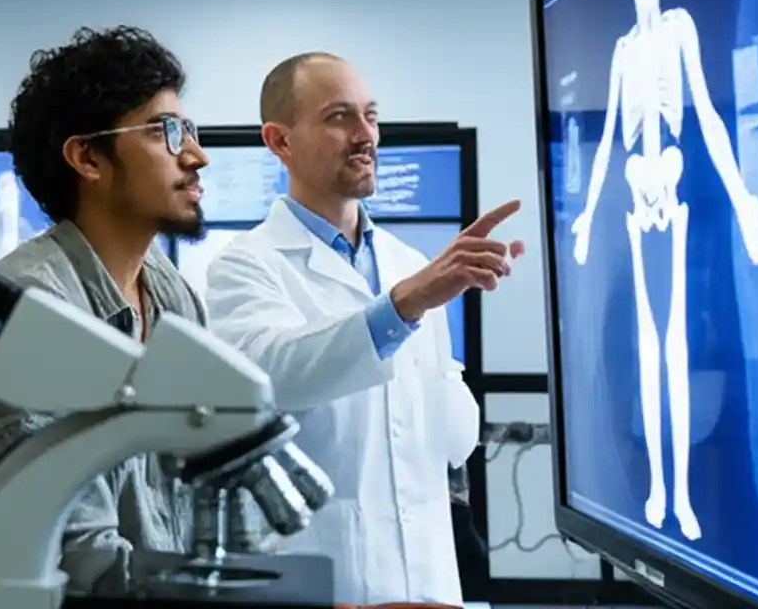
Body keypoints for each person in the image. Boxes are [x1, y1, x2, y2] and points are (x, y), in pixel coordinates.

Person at [0, 26, 236, 588]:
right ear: (88, 157)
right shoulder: (26, 309)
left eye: (188, 129)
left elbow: (187, 483)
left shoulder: (171, 296)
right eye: (166, 131)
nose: (197, 156)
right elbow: (78, 546)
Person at [204, 51, 526, 606]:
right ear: (280, 141)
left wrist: (439, 367)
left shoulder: (410, 264)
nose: (365, 135)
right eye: (338, 117)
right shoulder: (244, 265)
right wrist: (401, 309)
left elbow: (453, 440)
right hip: (330, 582)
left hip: (428, 580)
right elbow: (272, 376)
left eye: (370, 116)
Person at [570, 0, 758, 541]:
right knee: (648, 353)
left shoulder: (680, 27)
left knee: (675, 351)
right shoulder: (623, 49)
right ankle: (657, 487)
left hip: (677, 198)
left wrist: (743, 203)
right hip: (636, 202)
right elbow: (606, 139)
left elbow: (708, 112)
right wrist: (582, 216)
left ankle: (680, 494)